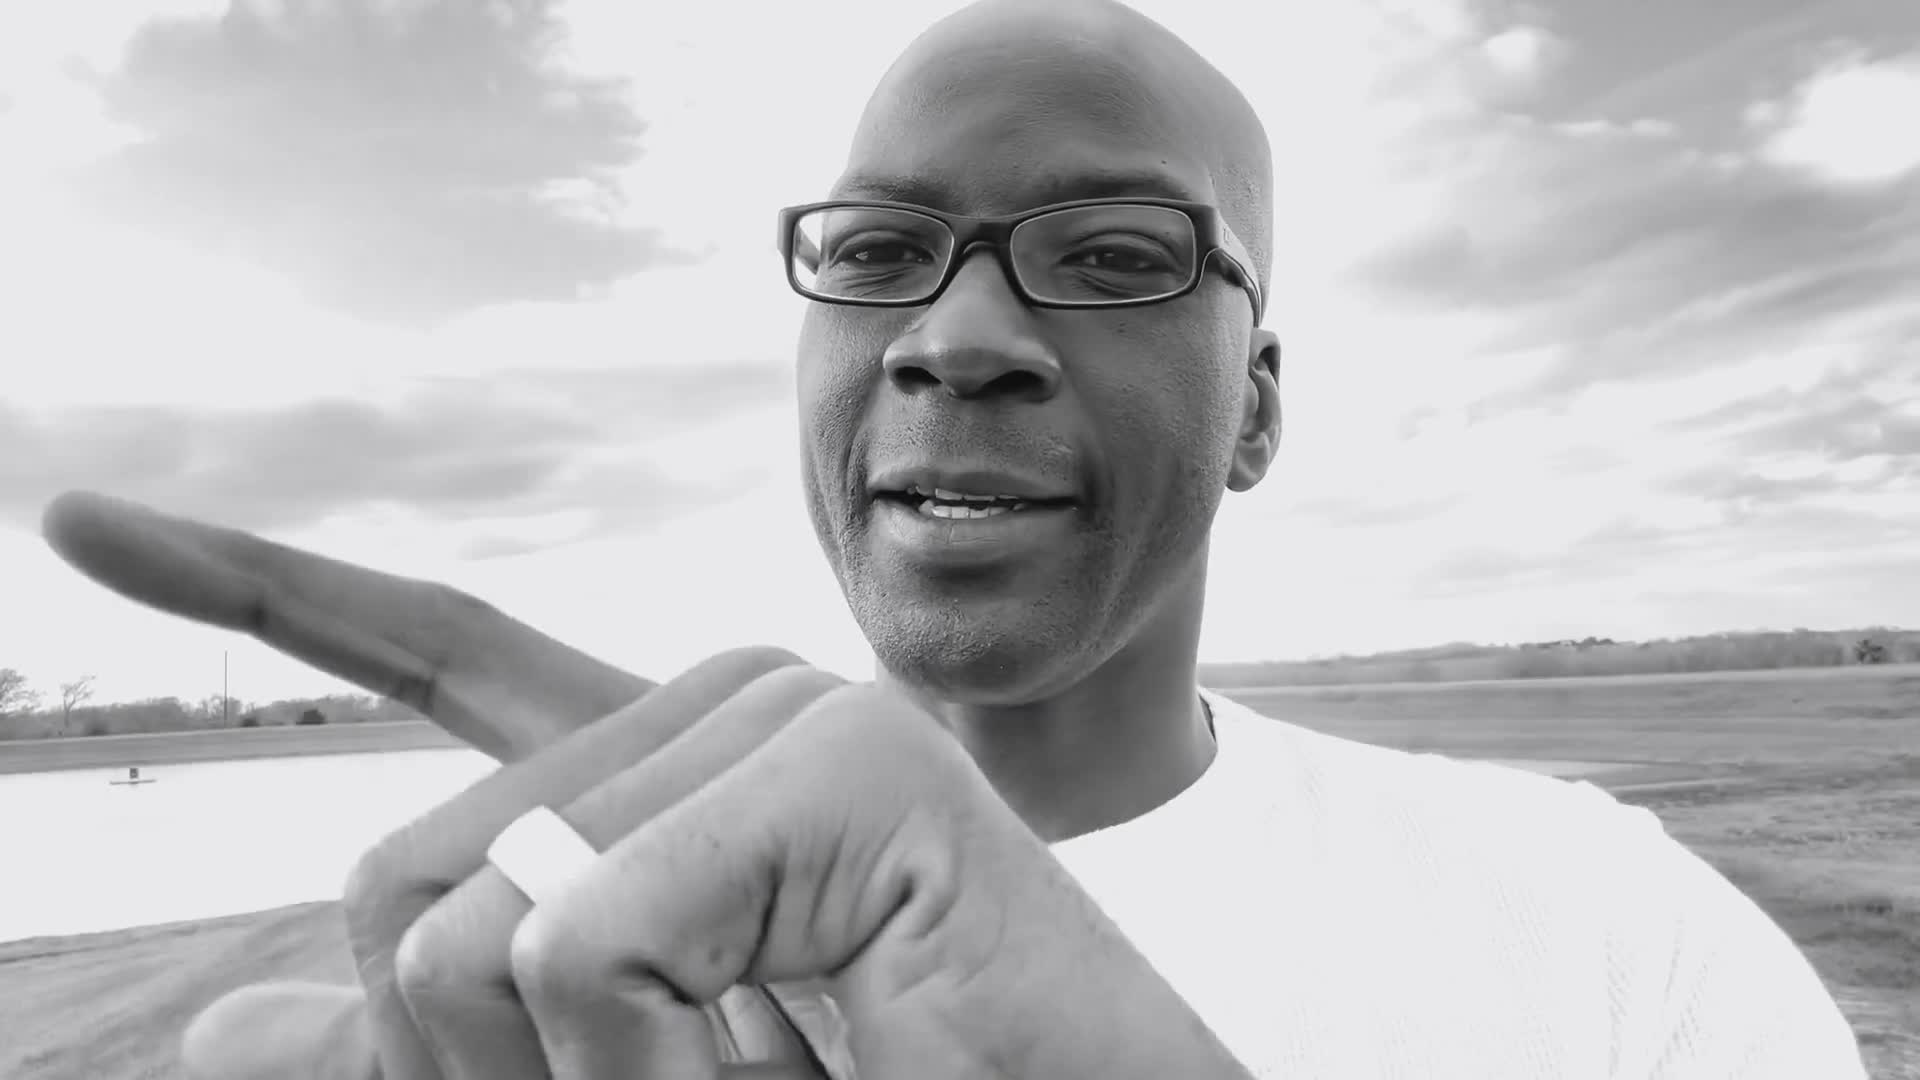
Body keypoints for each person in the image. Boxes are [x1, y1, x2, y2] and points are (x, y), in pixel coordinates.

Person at [43, 0, 1867, 1076]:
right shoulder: (567, 969)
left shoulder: (1609, 935)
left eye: (1116, 255)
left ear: (1256, 407)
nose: (958, 334)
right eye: (874, 251)